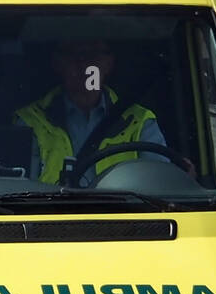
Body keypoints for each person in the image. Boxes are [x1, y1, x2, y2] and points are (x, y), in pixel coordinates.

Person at [14, 38, 178, 185]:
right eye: (73, 54)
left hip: (122, 216)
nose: (83, 64)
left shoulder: (140, 121)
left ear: (109, 63)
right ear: (57, 63)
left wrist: (176, 178)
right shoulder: (29, 121)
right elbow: (19, 192)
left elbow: (160, 187)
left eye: (92, 54)